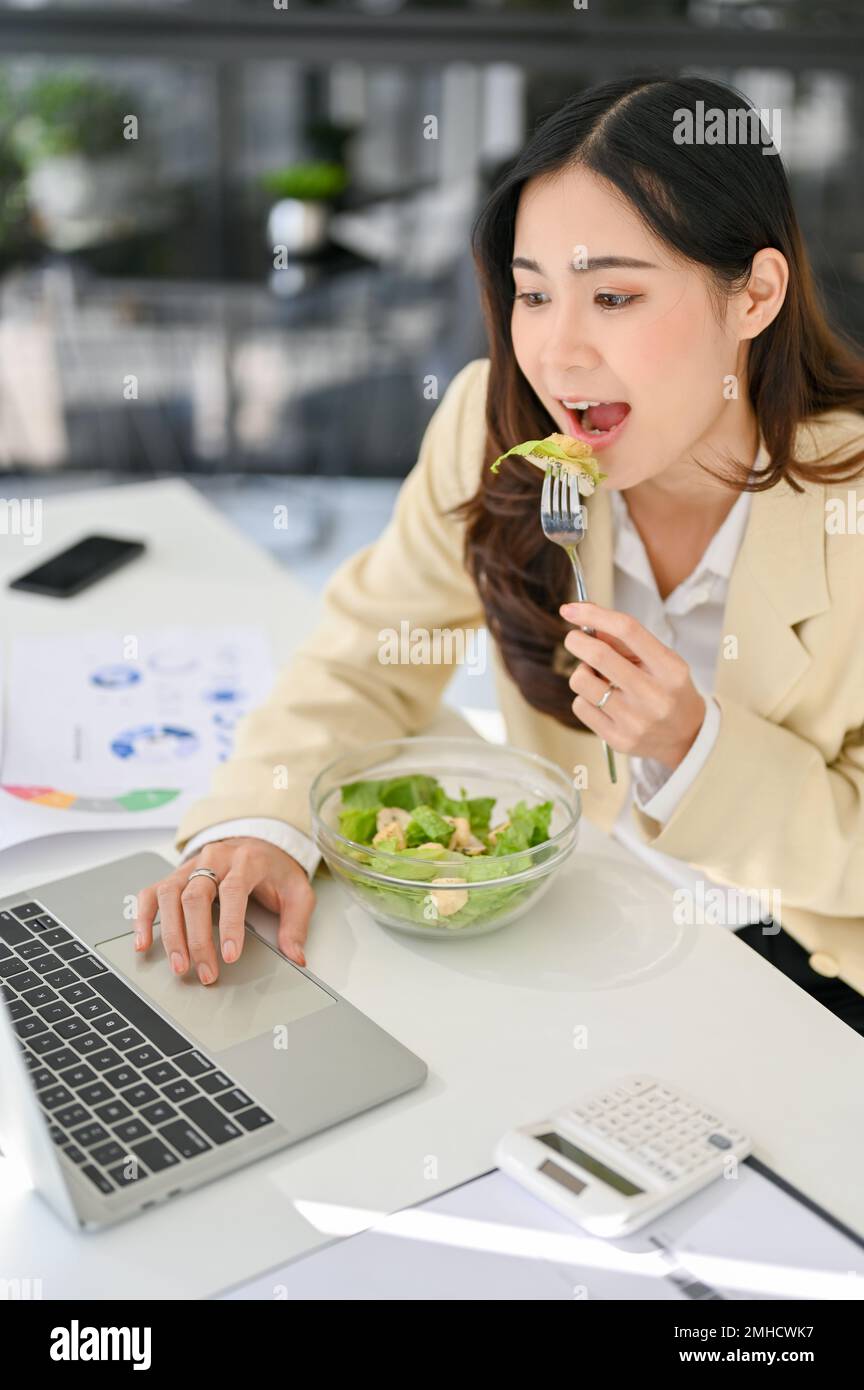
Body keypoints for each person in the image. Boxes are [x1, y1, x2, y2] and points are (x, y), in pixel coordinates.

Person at [135, 74, 864, 1032]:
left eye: (613, 295)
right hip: (581, 931)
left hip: (809, 981)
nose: (557, 354)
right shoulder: (497, 428)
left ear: (755, 295)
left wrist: (695, 749)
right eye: (533, 295)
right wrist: (259, 825)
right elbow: (369, 652)